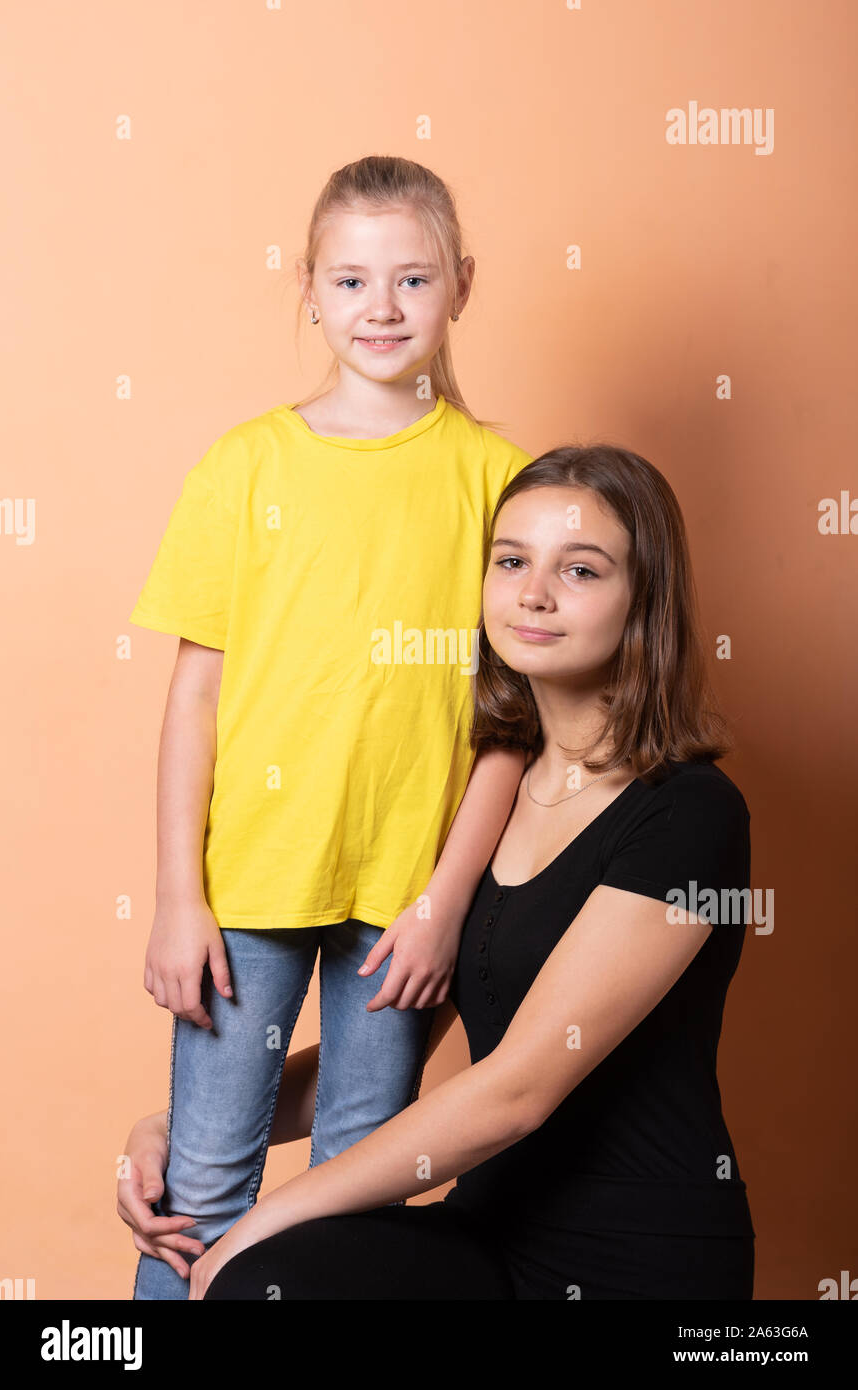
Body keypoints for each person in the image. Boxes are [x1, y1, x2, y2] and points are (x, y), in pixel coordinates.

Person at [119, 442, 756, 1300]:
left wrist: (259, 1221)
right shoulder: (485, 811)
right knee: (271, 1284)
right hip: (485, 1236)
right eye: (510, 561)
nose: (532, 593)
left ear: (645, 601)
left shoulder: (688, 812)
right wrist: (176, 1128)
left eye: (580, 570)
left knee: (251, 1266)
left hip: (635, 1258)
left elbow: (515, 1092)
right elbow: (384, 1049)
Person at [126, 153, 532, 1299]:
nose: (382, 309)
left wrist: (448, 900)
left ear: (463, 282)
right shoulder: (243, 465)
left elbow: (507, 724)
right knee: (202, 1182)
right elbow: (194, 694)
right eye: (351, 282)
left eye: (412, 280)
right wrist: (175, 896)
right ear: (307, 288)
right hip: (248, 883)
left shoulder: (499, 480)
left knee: (361, 1176)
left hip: (405, 899)